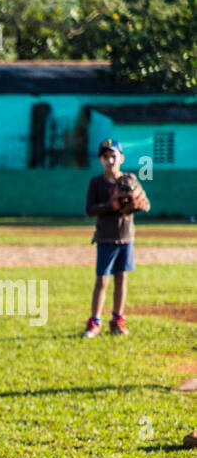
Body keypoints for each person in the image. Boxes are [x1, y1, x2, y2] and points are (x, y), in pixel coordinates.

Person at [83, 138, 150, 338]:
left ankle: (117, 320)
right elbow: (89, 209)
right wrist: (109, 206)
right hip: (106, 238)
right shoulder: (96, 182)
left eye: (113, 156)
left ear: (121, 158)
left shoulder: (129, 180)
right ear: (100, 160)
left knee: (122, 279)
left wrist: (138, 204)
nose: (110, 161)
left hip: (126, 237)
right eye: (105, 157)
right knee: (102, 280)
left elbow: (146, 204)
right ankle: (94, 321)